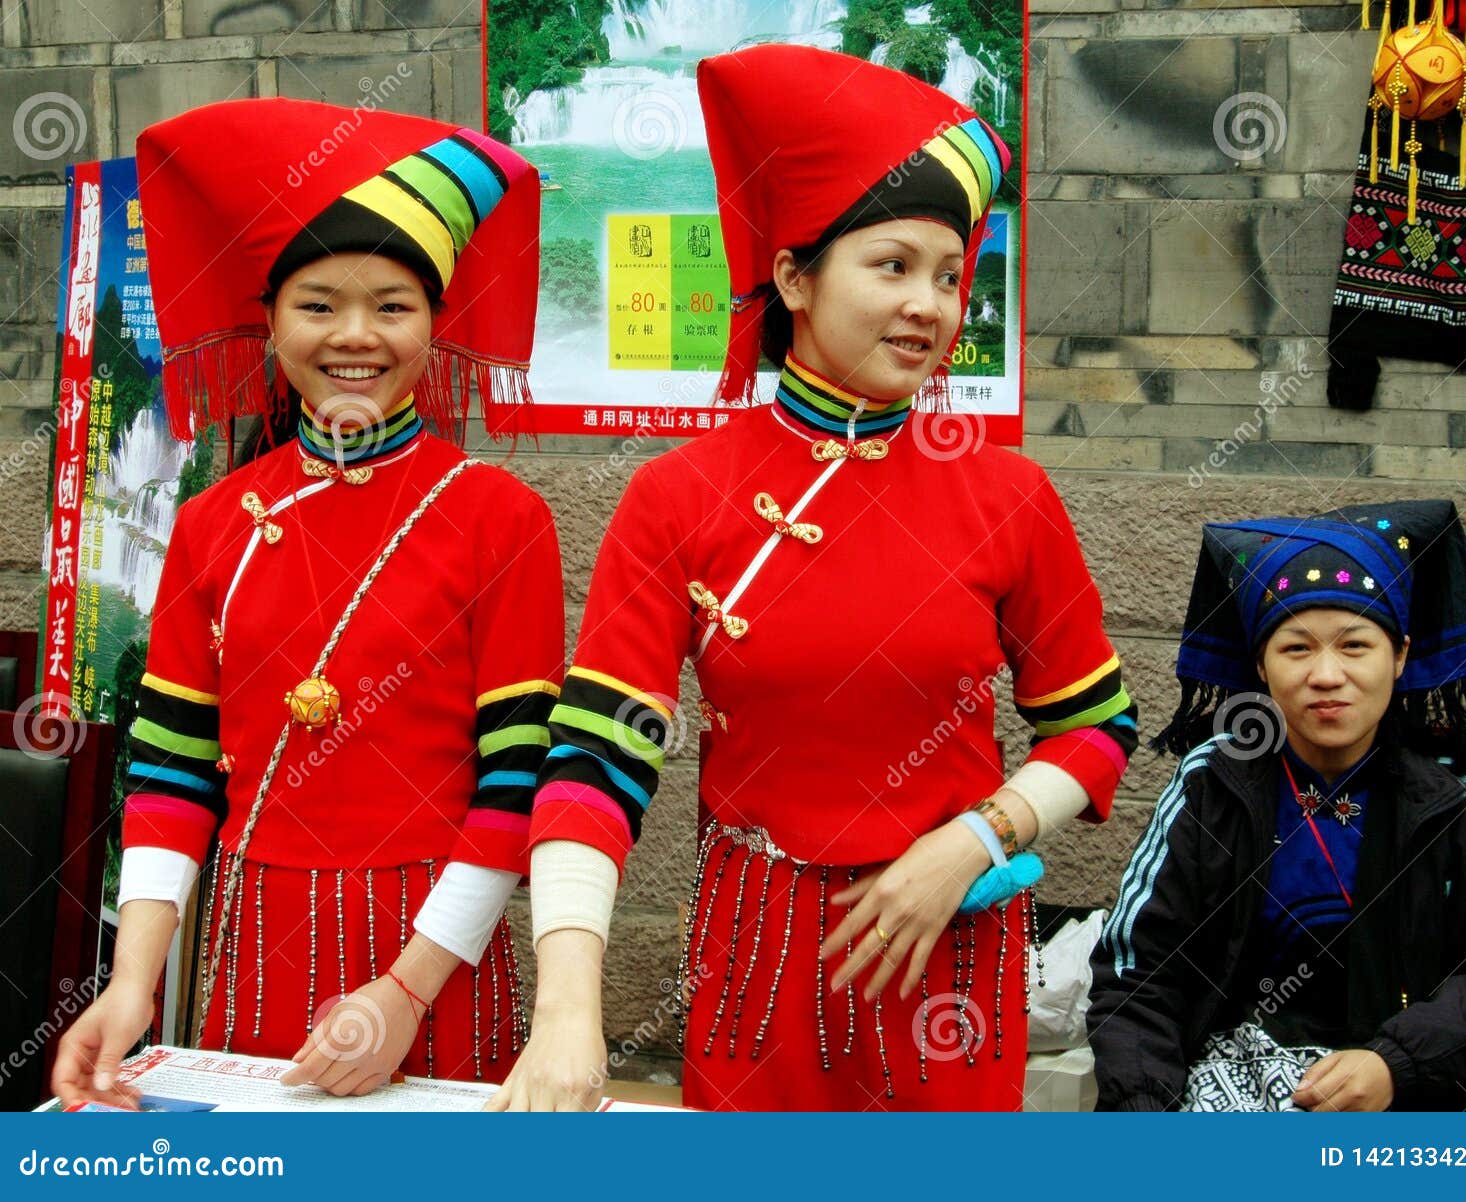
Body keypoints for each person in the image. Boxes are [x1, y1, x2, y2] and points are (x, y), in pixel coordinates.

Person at [488, 44, 1138, 1112]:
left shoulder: (1006, 493)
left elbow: (1098, 726)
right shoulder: (679, 494)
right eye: (890, 266)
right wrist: (568, 1009)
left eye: (946, 275)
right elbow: (595, 763)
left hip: (953, 954)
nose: (929, 305)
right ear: (794, 277)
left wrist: (977, 835)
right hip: (757, 959)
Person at [51, 98, 562, 1103]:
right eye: (319, 304)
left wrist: (408, 990)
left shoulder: (499, 515)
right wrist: (131, 982)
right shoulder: (214, 521)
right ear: (271, 320)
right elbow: (169, 770)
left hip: (432, 949)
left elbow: (517, 788)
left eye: (393, 306)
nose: (355, 336)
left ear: (436, 321)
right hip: (252, 933)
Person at [1089, 500, 1466, 1111]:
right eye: (1296, 648)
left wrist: (1395, 1064)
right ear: (1261, 666)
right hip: (1231, 1089)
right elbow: (1139, 976)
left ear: (1398, 656)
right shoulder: (1213, 782)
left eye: (1354, 646)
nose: (1326, 675)